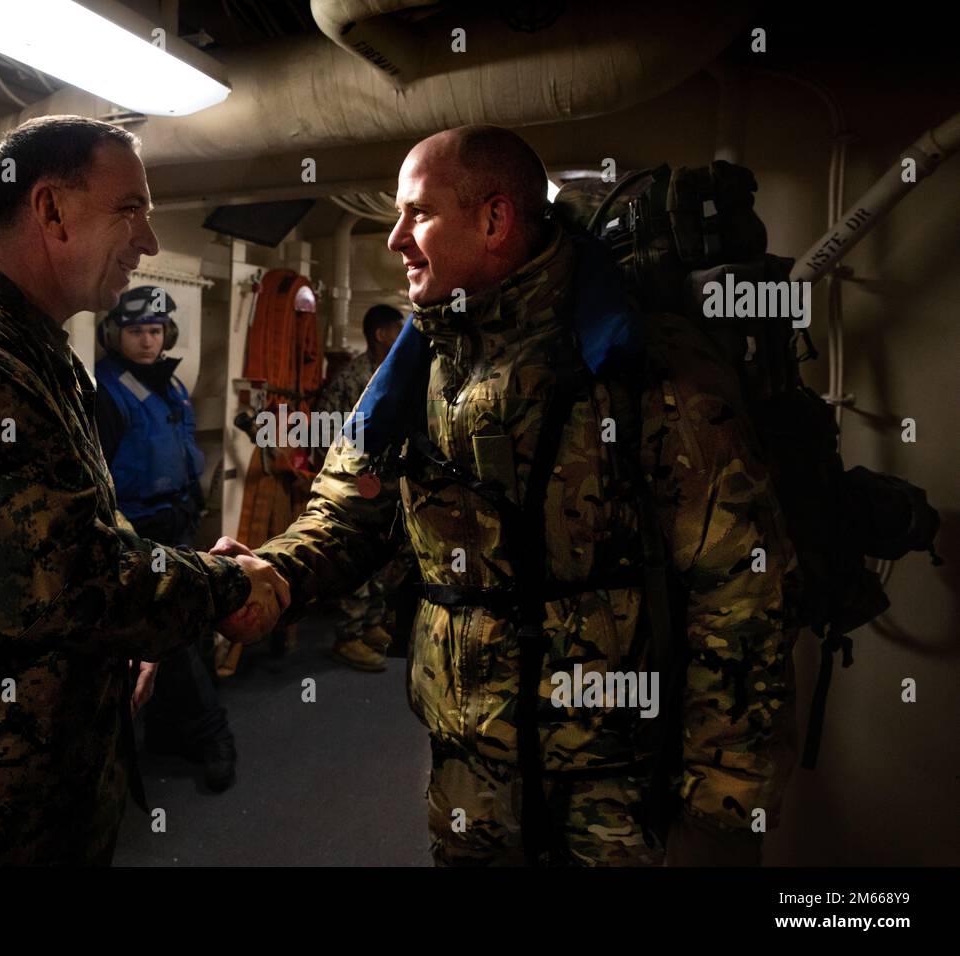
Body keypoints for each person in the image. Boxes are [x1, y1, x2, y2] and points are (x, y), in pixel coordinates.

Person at [213, 124, 799, 867]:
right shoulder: (416, 370)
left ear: (494, 219)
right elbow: (346, 513)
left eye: (416, 213)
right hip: (468, 760)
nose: (395, 239)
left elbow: (740, 590)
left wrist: (723, 797)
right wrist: (276, 577)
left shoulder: (643, 366)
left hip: (614, 777)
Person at [0, 115, 288, 866]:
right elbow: (59, 581)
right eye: (130, 210)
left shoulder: (31, 346)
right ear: (49, 209)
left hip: (36, 780)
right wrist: (222, 585)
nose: (146, 240)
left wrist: (138, 626)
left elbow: (76, 537)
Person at [93, 286, 238, 792]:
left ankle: (169, 736)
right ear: (115, 334)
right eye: (136, 331)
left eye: (155, 331)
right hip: (141, 534)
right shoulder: (104, 391)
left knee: (190, 629)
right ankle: (214, 737)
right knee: (170, 638)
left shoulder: (169, 383)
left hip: (179, 522)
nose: (148, 340)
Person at [313, 305, 413, 672]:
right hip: (356, 481)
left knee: (384, 557)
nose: (402, 334)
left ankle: (371, 624)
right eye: (396, 328)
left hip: (383, 480)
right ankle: (348, 635)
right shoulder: (357, 375)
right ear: (380, 334)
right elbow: (331, 431)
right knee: (355, 555)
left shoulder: (391, 370)